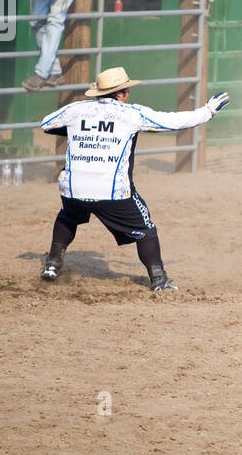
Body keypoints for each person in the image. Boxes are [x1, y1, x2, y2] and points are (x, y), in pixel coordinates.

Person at [38, 67, 230, 291]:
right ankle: (159, 279)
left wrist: (82, 131)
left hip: (73, 189)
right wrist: (208, 112)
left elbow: (46, 124)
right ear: (122, 93)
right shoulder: (132, 115)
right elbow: (172, 121)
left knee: (69, 216)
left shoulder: (75, 110)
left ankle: (52, 265)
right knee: (146, 228)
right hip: (112, 192)